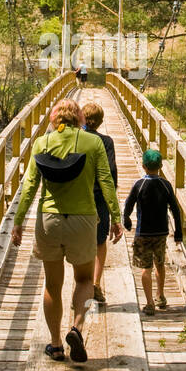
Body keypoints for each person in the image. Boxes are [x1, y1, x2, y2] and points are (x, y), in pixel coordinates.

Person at [11, 98, 122, 362]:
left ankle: (56, 344)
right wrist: (116, 217)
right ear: (80, 118)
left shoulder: (41, 143)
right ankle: (77, 327)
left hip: (49, 221)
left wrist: (18, 221)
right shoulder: (94, 143)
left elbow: (28, 187)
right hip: (83, 220)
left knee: (52, 285)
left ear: (53, 118)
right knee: (84, 280)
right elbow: (106, 181)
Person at [123, 148, 183, 316]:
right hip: (161, 232)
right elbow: (175, 210)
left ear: (143, 166)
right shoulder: (166, 185)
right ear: (160, 166)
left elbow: (128, 205)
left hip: (143, 232)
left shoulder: (139, 184)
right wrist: (178, 233)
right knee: (160, 263)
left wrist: (126, 221)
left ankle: (149, 303)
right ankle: (161, 295)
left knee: (145, 268)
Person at [82, 101, 118, 306]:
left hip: (80, 196)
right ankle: (95, 283)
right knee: (99, 241)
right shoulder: (107, 142)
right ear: (102, 121)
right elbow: (111, 172)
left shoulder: (77, 139)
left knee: (81, 241)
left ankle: (83, 285)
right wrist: (115, 210)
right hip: (100, 197)